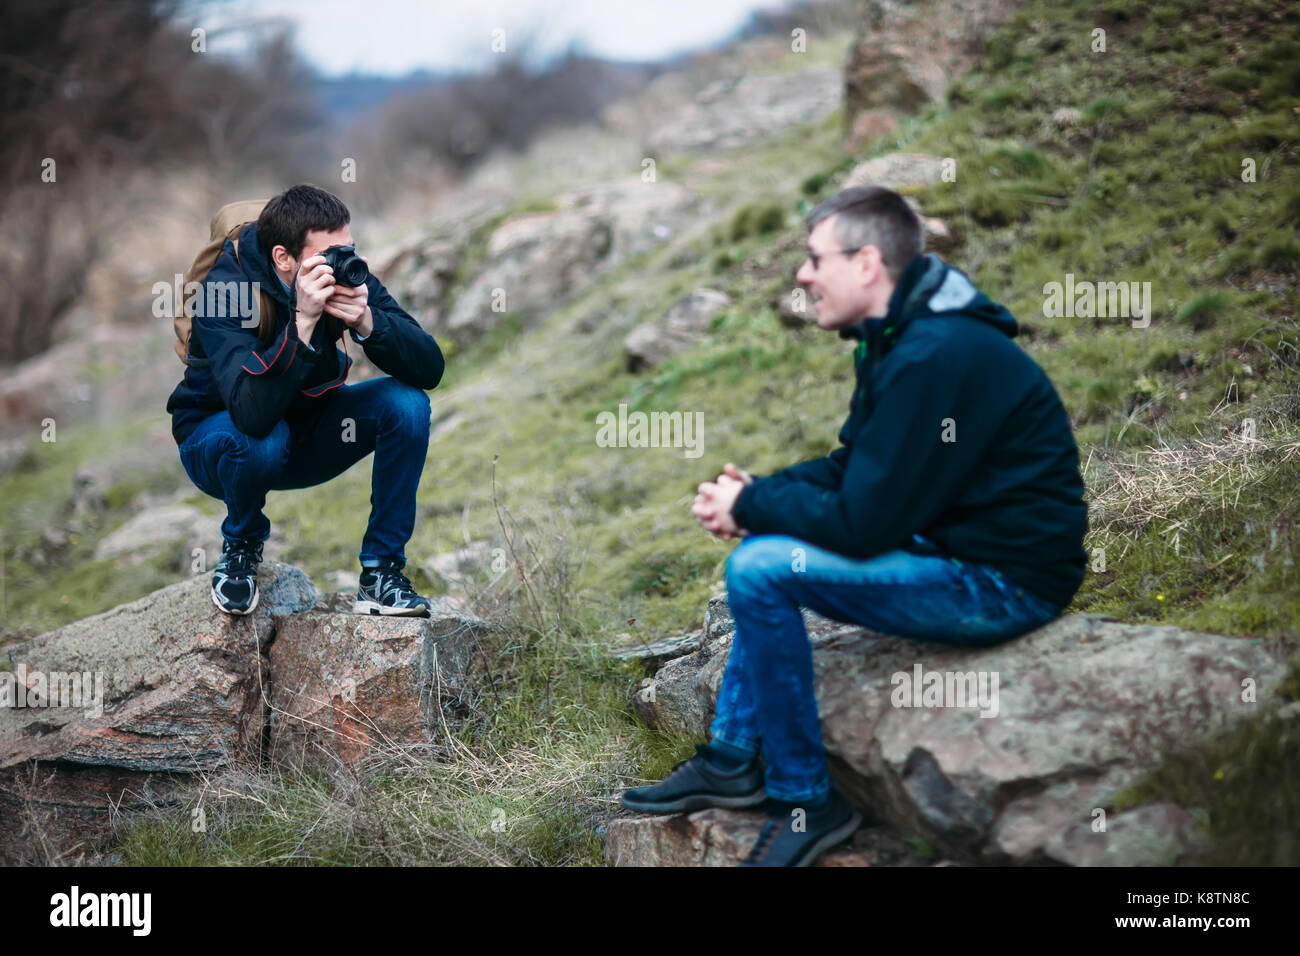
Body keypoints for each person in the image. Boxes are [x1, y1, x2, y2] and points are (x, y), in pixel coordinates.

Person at [620, 184, 1089, 866]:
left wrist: (750, 512)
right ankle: (731, 759)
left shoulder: (936, 354)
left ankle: (805, 798)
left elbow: (864, 523)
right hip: (949, 543)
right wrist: (756, 493)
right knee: (772, 551)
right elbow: (856, 468)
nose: (804, 275)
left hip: (1004, 582)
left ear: (867, 263)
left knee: (761, 569)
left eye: (815, 258)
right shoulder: (899, 338)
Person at [165, 184, 445, 617]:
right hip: (221, 442)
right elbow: (252, 414)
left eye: (347, 249)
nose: (341, 263)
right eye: (327, 256)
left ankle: (381, 574)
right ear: (283, 257)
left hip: (305, 435)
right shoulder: (227, 288)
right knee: (261, 439)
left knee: (406, 405)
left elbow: (431, 369)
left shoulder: (342, 271)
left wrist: (369, 321)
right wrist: (304, 321)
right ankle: (241, 545)